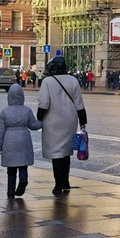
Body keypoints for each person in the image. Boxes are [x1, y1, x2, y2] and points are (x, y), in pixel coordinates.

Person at [37, 56, 87, 196]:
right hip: (70, 120)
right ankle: (66, 182)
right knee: (66, 151)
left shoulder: (47, 81)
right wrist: (83, 121)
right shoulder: (73, 80)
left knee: (56, 153)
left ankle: (58, 184)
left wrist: (39, 118)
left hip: (53, 121)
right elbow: (79, 103)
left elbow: (44, 104)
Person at [0, 84, 42, 198]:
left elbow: (0, 131)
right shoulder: (27, 110)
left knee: (11, 168)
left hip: (9, 139)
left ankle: (10, 190)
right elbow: (33, 125)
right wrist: (43, 122)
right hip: (24, 137)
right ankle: (23, 180)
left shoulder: (5, 112)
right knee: (23, 164)